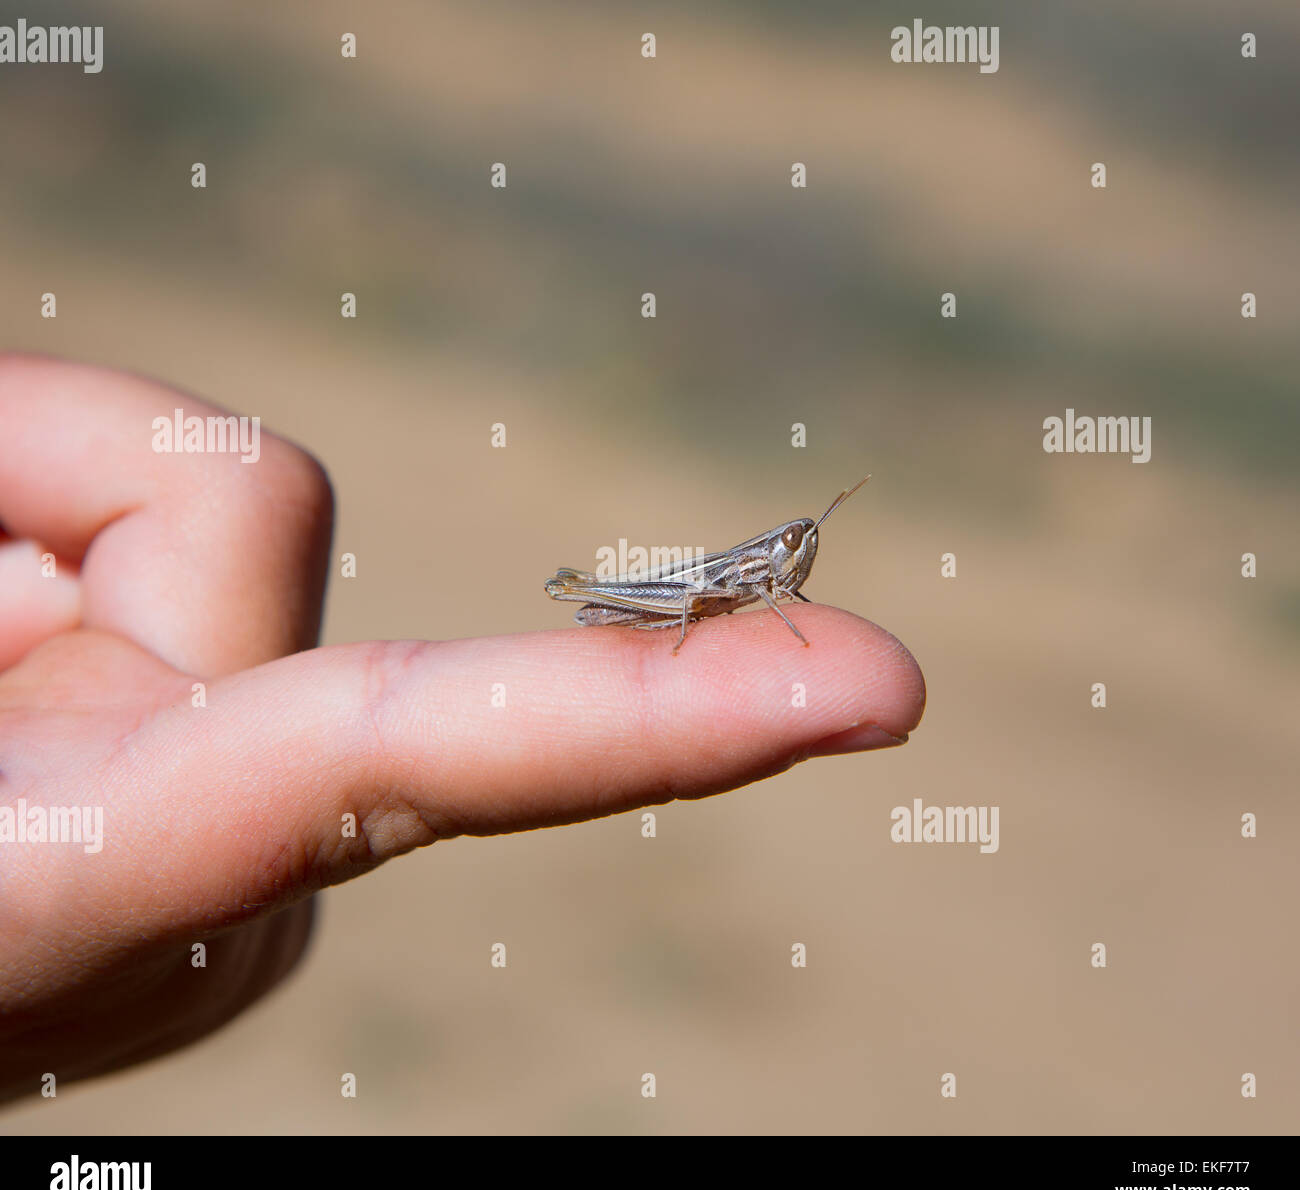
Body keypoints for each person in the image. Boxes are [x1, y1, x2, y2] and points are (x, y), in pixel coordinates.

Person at [0, 354, 925, 1103]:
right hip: (669, 598)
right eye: (796, 544)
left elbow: (768, 593)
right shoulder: (753, 573)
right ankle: (594, 594)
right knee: (672, 594)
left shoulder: (777, 578)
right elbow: (731, 586)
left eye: (800, 551)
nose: (795, 557)